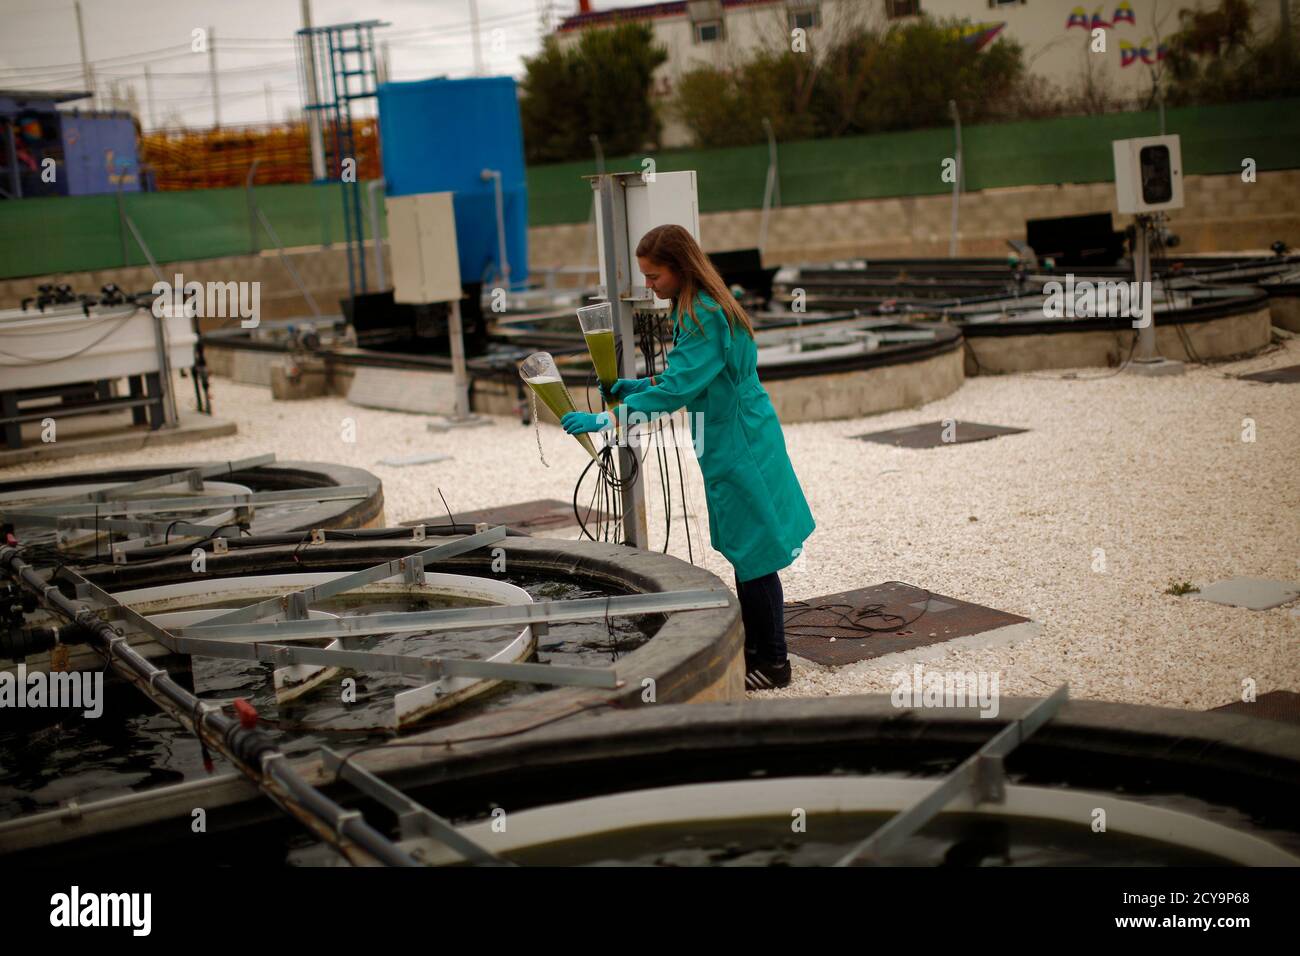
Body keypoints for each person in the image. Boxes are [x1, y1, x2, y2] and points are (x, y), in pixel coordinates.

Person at [561, 224, 815, 690]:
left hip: (739, 444)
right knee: (749, 548)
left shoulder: (703, 315)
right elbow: (692, 374)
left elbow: (680, 387)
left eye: (654, 276)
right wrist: (637, 387)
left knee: (754, 553)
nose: (648, 286)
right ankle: (759, 649)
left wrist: (606, 421)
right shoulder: (699, 306)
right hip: (736, 436)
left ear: (680, 268)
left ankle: (774, 663)